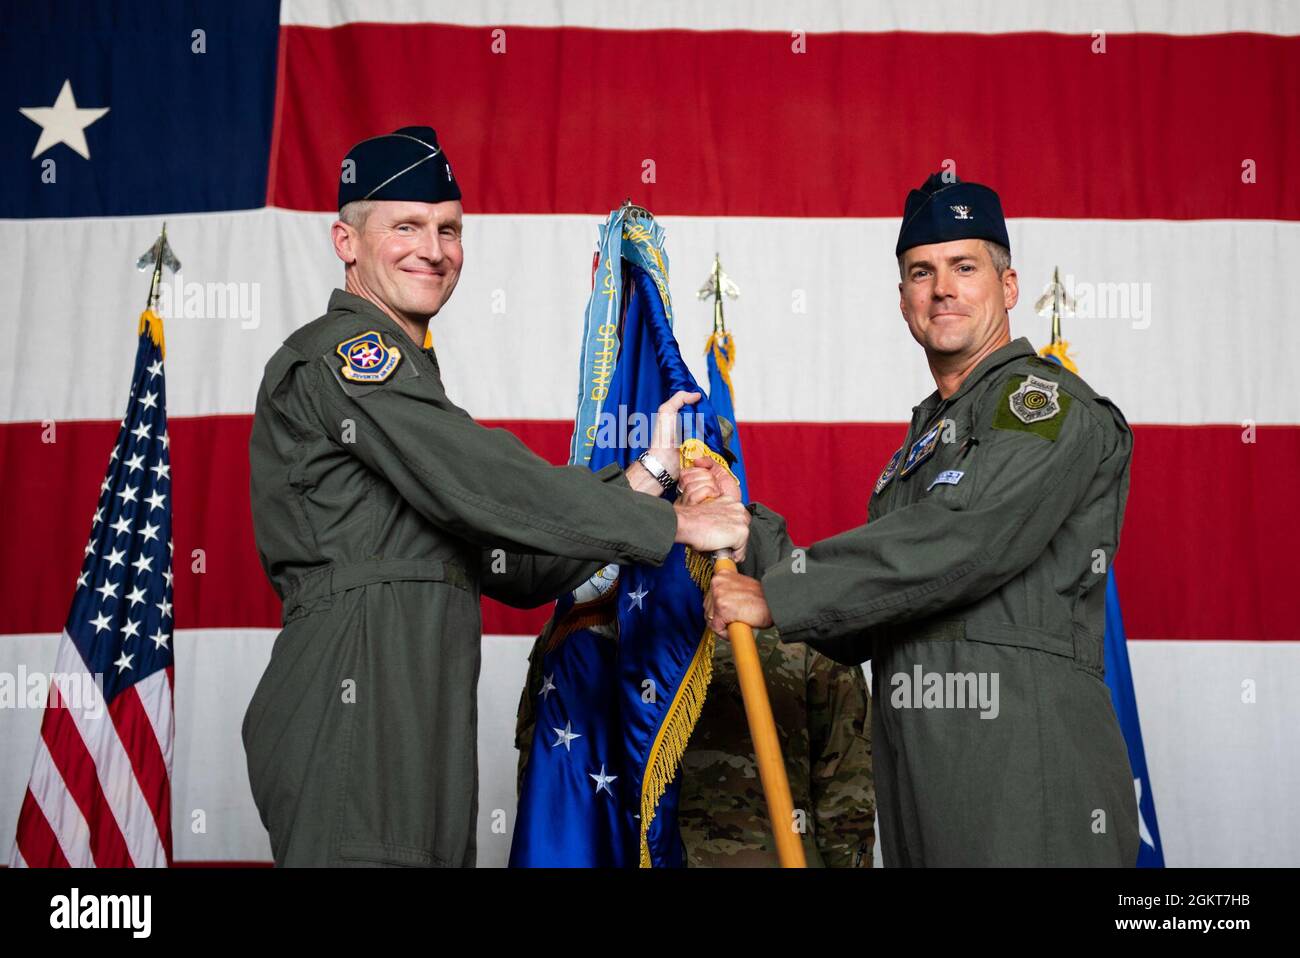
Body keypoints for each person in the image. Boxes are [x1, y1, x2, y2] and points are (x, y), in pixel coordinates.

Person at [242, 125, 749, 867]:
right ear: (345, 242)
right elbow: (484, 481)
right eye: (405, 226)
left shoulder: (414, 385)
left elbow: (513, 564)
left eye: (448, 228)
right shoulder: (347, 357)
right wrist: (671, 522)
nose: (434, 248)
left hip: (418, 721)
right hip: (356, 701)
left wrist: (646, 474)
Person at [701, 172, 1140, 867]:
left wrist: (775, 595)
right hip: (921, 777)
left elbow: (963, 537)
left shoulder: (1044, 404)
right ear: (903, 298)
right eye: (920, 272)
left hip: (1024, 777)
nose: (942, 289)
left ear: (1009, 285)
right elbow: (875, 611)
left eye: (965, 267)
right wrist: (747, 532)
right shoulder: (928, 439)